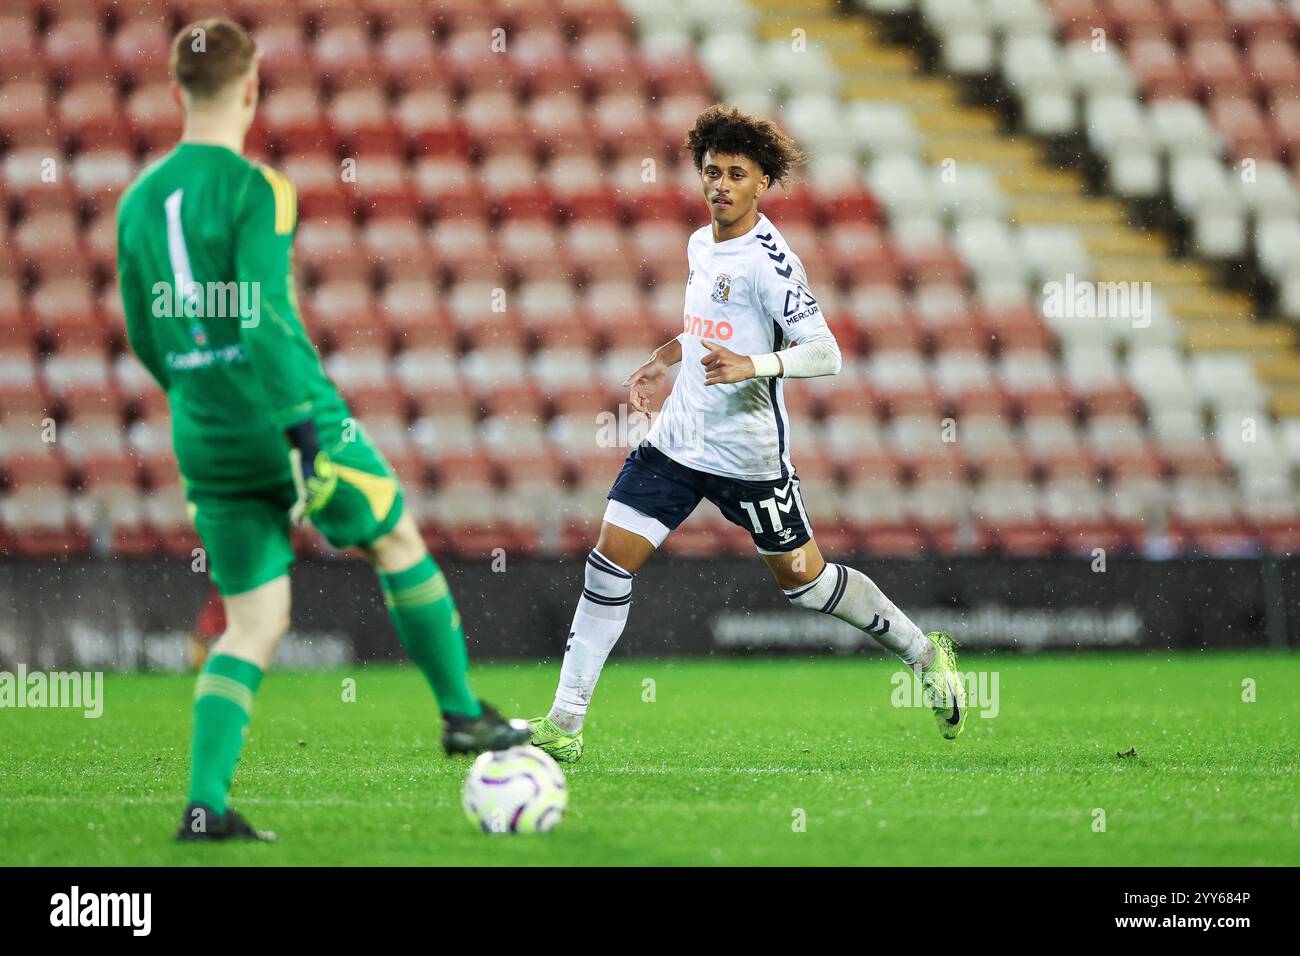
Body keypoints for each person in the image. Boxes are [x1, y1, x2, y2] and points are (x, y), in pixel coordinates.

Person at [116, 19, 528, 842]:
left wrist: (200, 391)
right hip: (291, 421)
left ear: (174, 93)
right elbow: (264, 315)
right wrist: (303, 434)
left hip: (204, 432)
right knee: (399, 540)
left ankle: (205, 806)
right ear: (252, 89)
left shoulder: (135, 203)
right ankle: (461, 718)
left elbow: (143, 334)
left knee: (255, 621)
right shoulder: (257, 189)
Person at [530, 106, 967, 762]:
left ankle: (924, 655)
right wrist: (668, 357)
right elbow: (710, 324)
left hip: (748, 456)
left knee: (808, 585)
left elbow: (827, 352)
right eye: (712, 172)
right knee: (608, 563)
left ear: (763, 182)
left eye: (737, 174)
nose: (722, 185)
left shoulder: (772, 261)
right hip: (677, 444)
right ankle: (565, 725)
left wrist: (754, 365)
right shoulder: (699, 244)